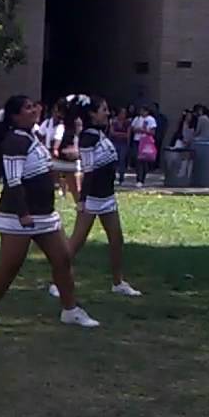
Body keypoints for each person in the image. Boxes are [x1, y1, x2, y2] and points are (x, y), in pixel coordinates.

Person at [0, 95, 100, 329]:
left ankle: (70, 310)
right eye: (28, 108)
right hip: (18, 216)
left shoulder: (34, 136)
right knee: (11, 265)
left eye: (34, 106)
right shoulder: (14, 141)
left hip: (45, 214)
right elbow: (13, 181)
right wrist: (23, 214)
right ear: (15, 116)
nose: (34, 110)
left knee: (62, 259)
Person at [49, 96, 142, 299]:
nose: (107, 113)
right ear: (92, 114)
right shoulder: (89, 137)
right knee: (75, 243)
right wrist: (82, 200)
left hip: (107, 197)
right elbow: (89, 171)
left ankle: (118, 282)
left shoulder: (99, 134)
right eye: (103, 109)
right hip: (92, 199)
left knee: (117, 239)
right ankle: (57, 281)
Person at [50, 96, 82, 202]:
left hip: (65, 157)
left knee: (69, 181)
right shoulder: (77, 123)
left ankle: (80, 204)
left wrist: (55, 148)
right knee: (75, 187)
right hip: (72, 156)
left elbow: (58, 140)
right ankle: (79, 203)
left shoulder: (63, 126)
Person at [131, 105, 158, 188]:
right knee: (138, 160)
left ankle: (143, 178)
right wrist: (136, 130)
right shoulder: (137, 119)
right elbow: (132, 128)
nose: (141, 112)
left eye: (143, 110)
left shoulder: (151, 120)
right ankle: (138, 179)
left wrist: (143, 131)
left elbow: (153, 132)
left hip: (146, 141)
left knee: (145, 161)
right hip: (137, 140)